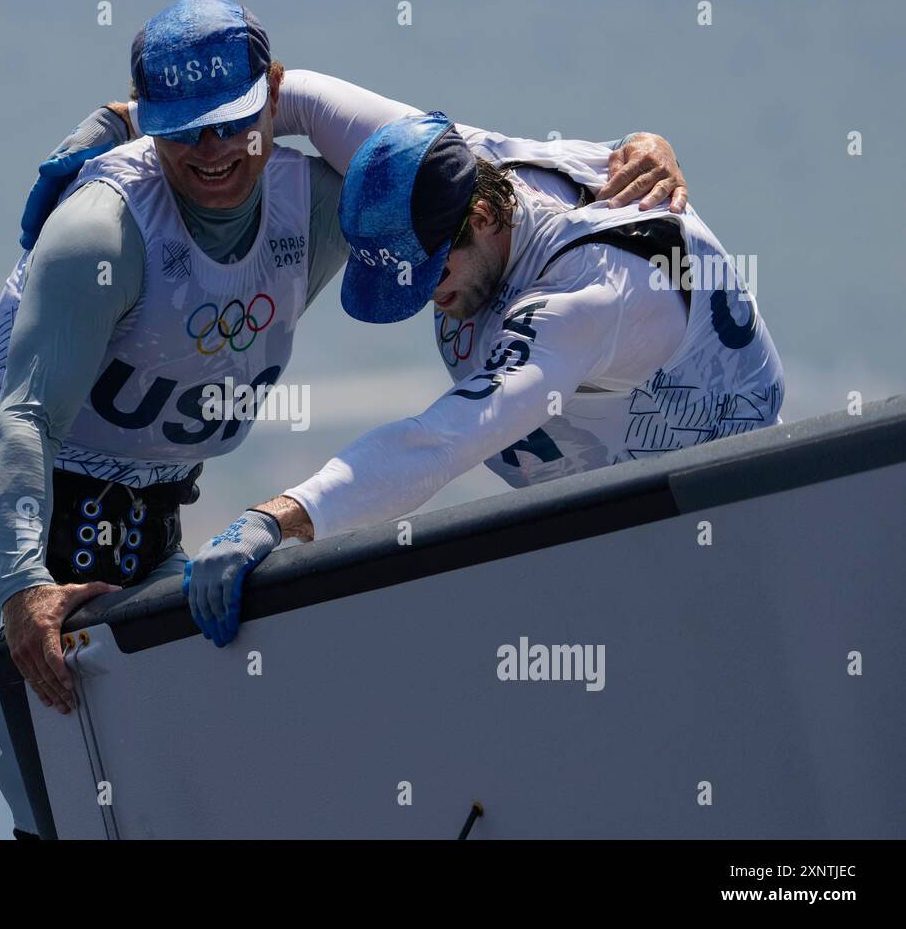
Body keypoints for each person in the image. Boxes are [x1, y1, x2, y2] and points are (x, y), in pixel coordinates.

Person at [0, 0, 687, 837]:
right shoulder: (100, 232)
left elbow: (460, 171)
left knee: (206, 803)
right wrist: (23, 589)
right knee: (59, 814)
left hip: (145, 526)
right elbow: (23, 416)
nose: (209, 153)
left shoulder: (318, 202)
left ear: (270, 104)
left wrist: (630, 154)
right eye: (182, 131)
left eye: (229, 125)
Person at [183, 112, 784, 646]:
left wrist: (274, 518)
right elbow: (299, 99)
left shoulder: (580, 299)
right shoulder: (449, 160)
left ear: (484, 216)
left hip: (730, 521)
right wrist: (127, 124)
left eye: (433, 271)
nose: (429, 299)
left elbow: (443, 442)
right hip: (622, 531)